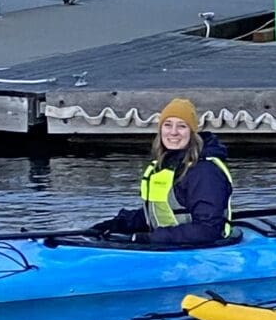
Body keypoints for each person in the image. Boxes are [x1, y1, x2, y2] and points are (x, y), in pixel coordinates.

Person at [93, 97, 234, 248]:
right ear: (160, 130)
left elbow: (208, 230)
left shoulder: (204, 172)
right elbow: (158, 212)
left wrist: (149, 238)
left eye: (181, 126)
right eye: (167, 125)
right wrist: (116, 224)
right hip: (171, 246)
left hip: (200, 253)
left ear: (192, 133)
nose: (173, 132)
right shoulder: (167, 165)